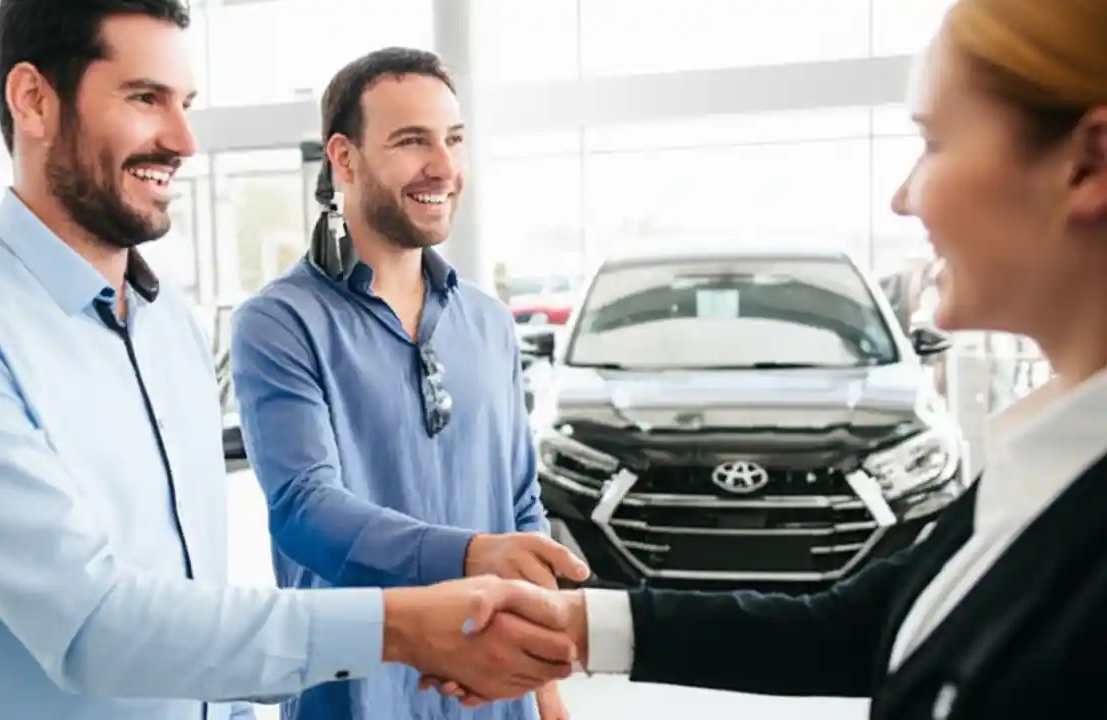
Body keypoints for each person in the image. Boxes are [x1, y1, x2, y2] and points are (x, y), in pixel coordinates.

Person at [0, 4, 576, 719]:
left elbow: (198, 594)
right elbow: (94, 625)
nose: (185, 140)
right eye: (144, 99)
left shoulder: (173, 328)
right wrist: (409, 625)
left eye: (185, 102)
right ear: (34, 101)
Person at [429, 0, 1107, 717]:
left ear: (1088, 166)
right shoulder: (1043, 461)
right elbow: (874, 625)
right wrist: (577, 623)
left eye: (935, 143)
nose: (904, 197)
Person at [229, 48, 588, 720]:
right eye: (411, 141)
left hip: (494, 700)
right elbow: (306, 511)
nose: (443, 167)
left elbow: (519, 507)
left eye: (453, 139)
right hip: (357, 699)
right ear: (344, 159)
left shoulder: (488, 321)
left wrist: (544, 688)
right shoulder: (278, 323)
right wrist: (474, 555)